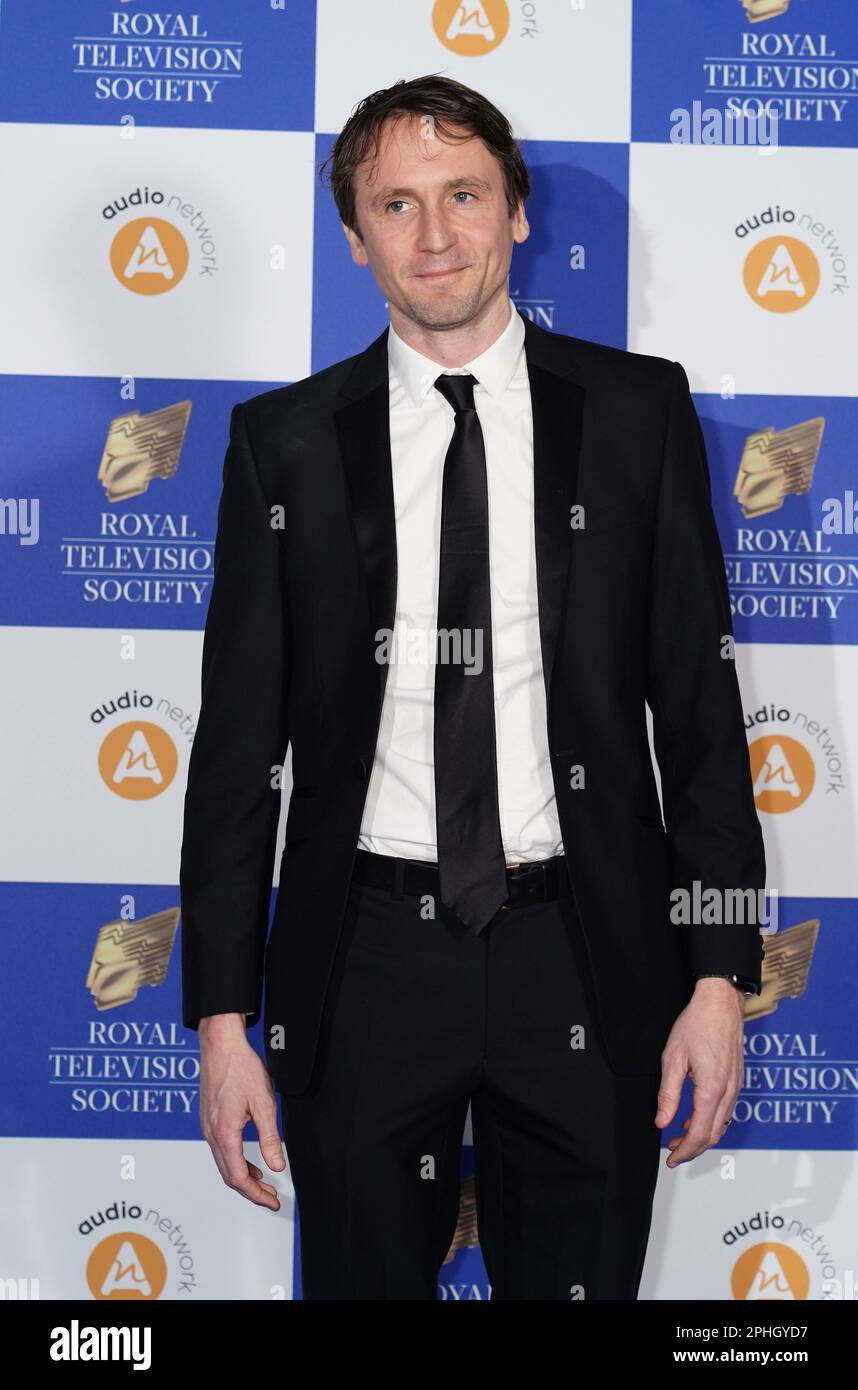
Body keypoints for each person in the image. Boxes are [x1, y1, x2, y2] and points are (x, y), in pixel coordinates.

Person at [179, 75, 766, 1300]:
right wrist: (223, 1020)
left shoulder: (637, 413)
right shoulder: (280, 443)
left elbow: (702, 719)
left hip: (589, 954)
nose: (434, 234)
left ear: (518, 216)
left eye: (463, 195)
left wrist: (717, 975)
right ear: (354, 236)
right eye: (397, 203)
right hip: (367, 959)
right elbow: (237, 753)